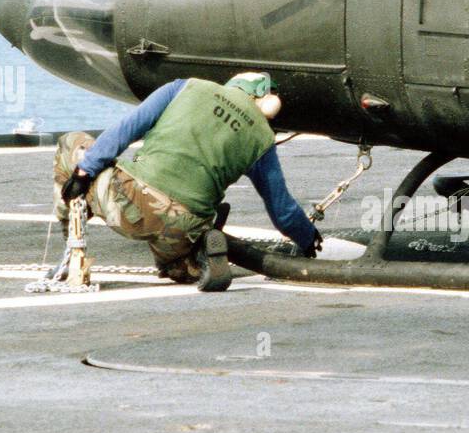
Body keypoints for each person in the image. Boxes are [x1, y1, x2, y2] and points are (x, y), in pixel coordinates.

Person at [53, 73, 321, 289]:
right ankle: (195, 257)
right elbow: (281, 208)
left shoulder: (185, 87)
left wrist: (83, 173)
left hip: (128, 203)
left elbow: (124, 131)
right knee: (175, 263)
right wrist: (308, 238)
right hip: (184, 226)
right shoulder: (262, 137)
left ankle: (71, 255)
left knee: (71, 142)